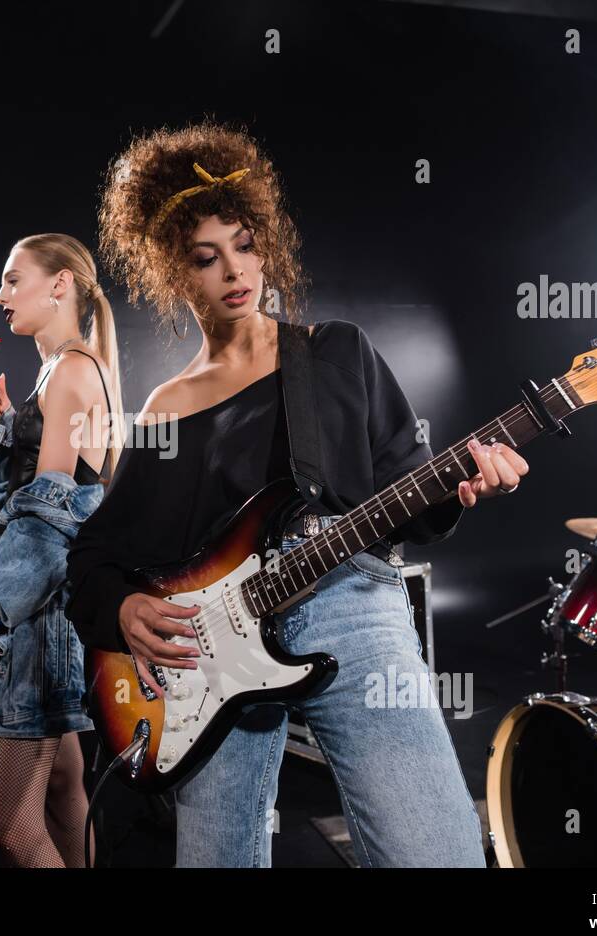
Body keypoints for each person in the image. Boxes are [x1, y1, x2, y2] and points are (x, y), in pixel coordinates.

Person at [67, 121, 530, 867]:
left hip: (354, 607)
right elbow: (96, 554)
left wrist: (462, 483)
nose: (234, 271)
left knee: (436, 854)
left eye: (245, 245)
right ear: (174, 273)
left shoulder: (336, 352)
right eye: (206, 257)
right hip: (213, 655)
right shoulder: (166, 408)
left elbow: (406, 490)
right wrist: (123, 607)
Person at [0, 233, 123, 866]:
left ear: (60, 285)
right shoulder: (64, 369)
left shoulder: (74, 370)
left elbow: (48, 522)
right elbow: (16, 495)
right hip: (47, 611)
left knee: (6, 822)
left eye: (12, 279)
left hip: (37, 619)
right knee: (62, 788)